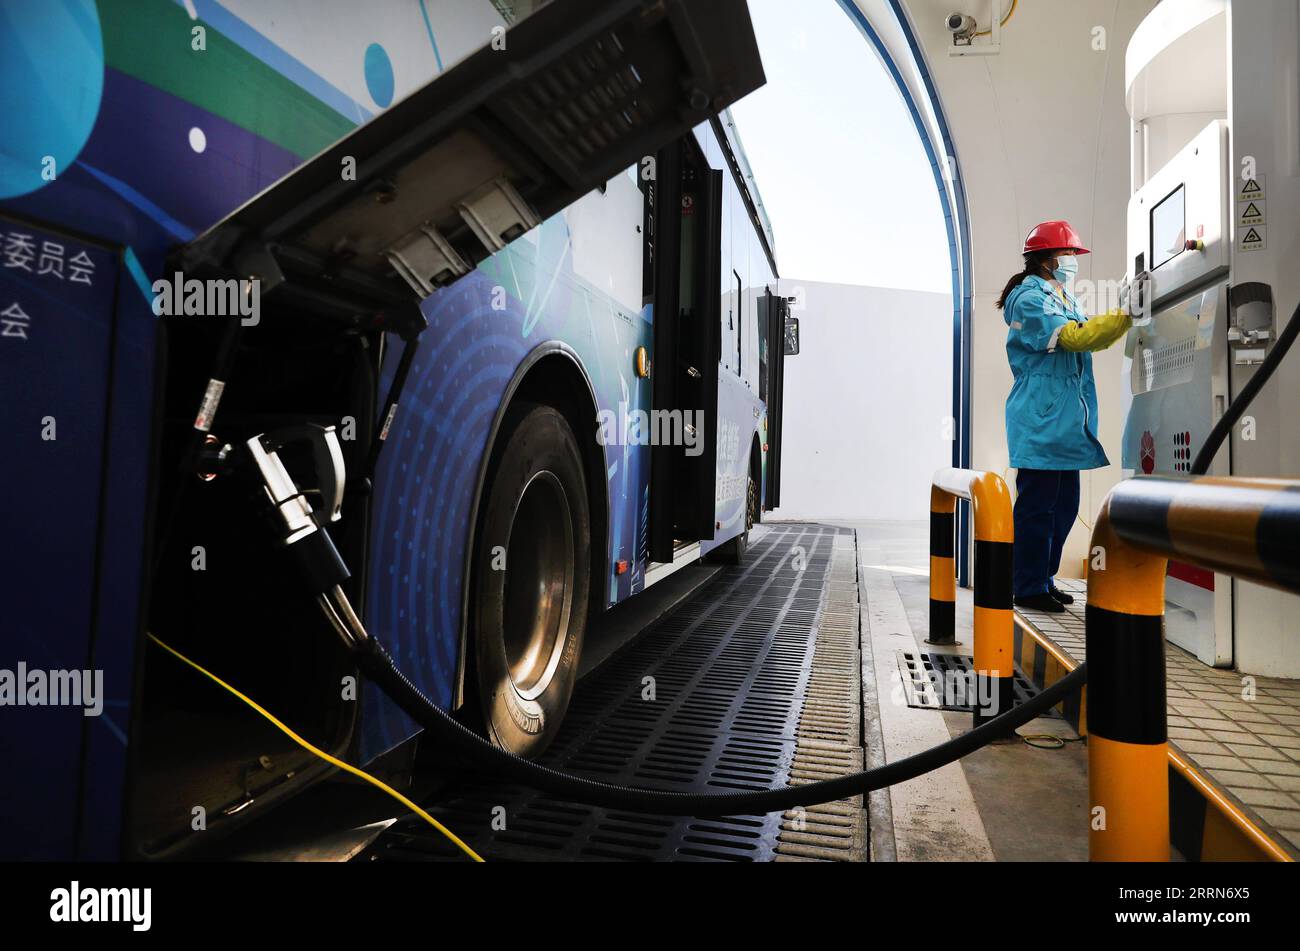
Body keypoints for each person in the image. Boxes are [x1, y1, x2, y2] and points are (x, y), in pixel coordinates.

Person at [997, 220, 1140, 613]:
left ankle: (1042, 578)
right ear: (1046, 259)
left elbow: (1091, 332)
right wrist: (1123, 313)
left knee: (1063, 507)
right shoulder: (1029, 299)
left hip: (1062, 422)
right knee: (1038, 507)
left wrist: (1124, 316)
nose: (1073, 262)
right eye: (1069, 255)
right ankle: (1026, 585)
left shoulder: (1060, 297)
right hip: (1042, 420)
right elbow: (1075, 337)